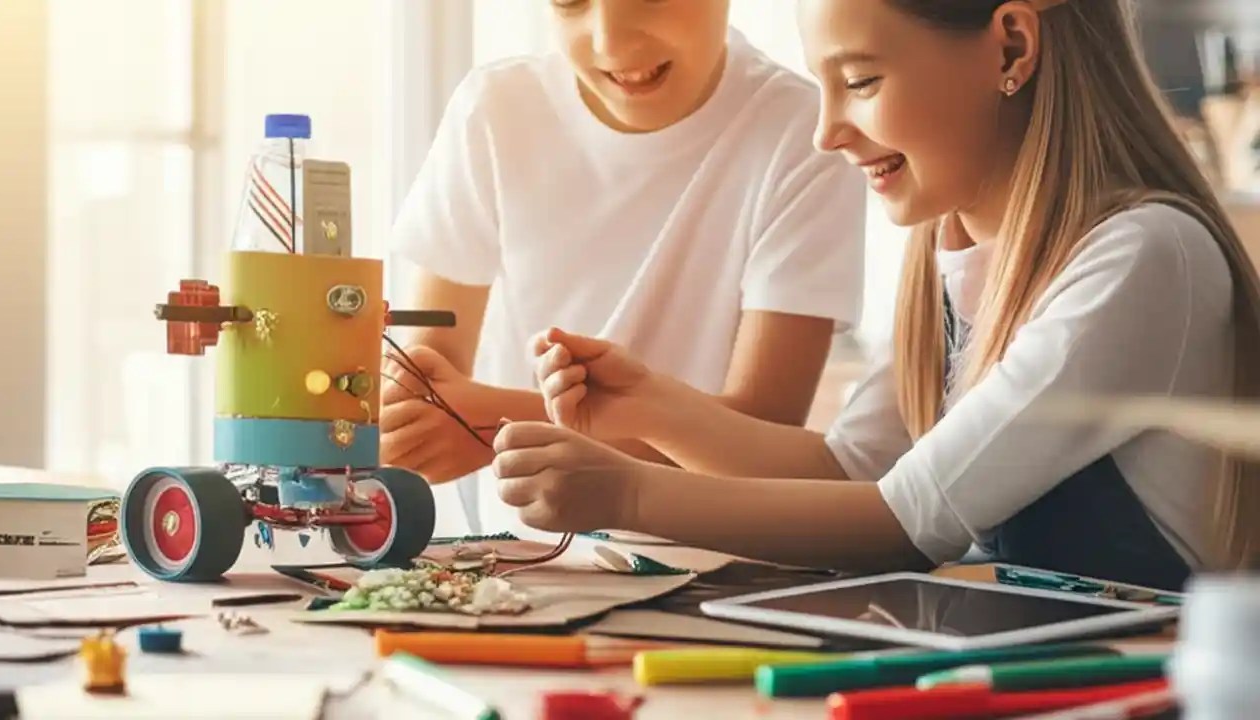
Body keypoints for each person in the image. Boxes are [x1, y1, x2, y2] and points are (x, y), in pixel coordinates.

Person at [494, 0, 1260, 590]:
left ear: (1011, 47)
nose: (826, 132)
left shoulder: (1145, 257)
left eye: (859, 82)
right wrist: (657, 411)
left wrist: (626, 495)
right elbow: (851, 474)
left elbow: (904, 522)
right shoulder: (946, 252)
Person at [382, 0, 866, 534]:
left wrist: (492, 425)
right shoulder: (496, 108)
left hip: (709, 554)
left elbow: (764, 436)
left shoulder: (807, 132)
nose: (610, 42)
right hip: (517, 556)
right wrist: (409, 416)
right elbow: (429, 373)